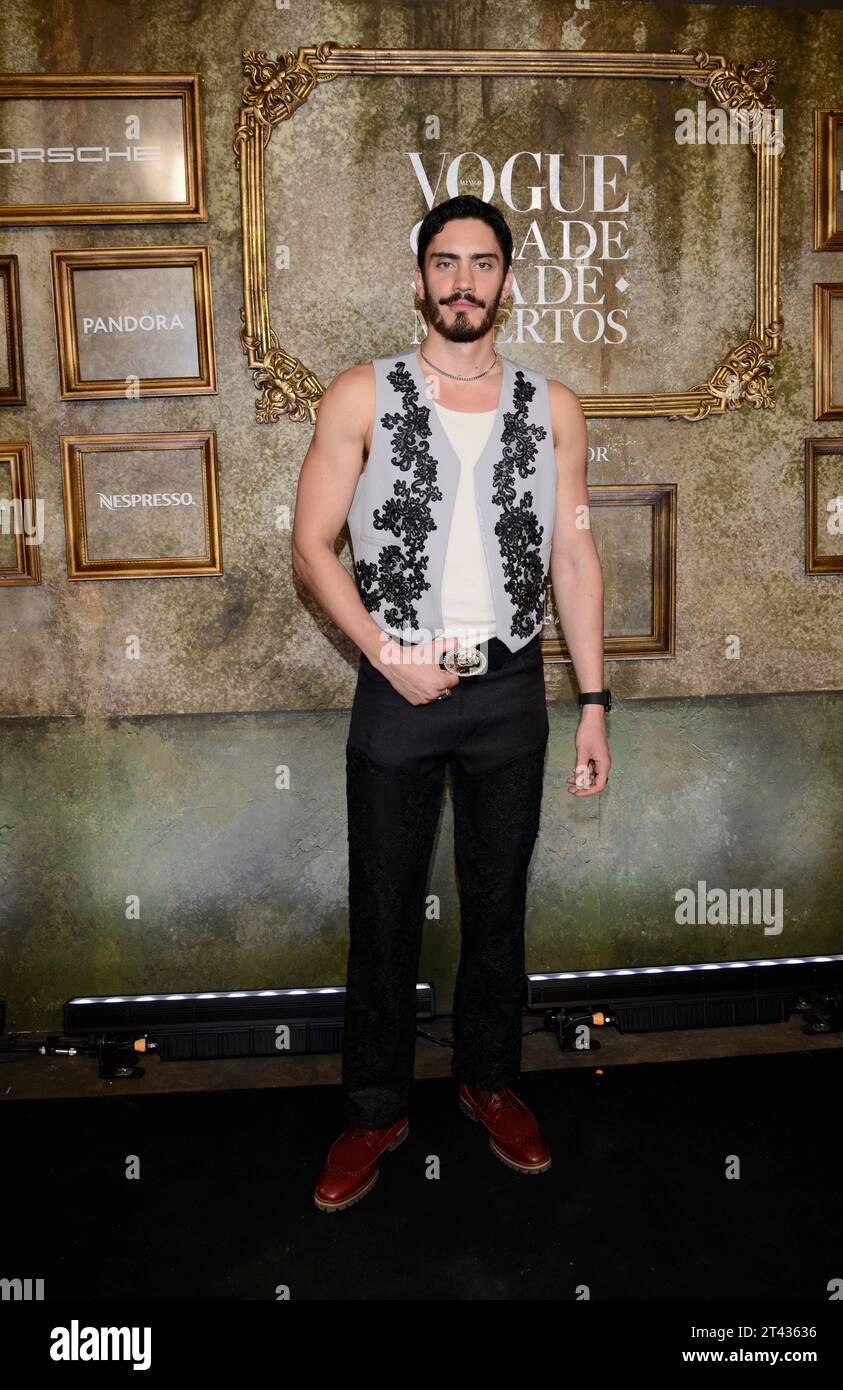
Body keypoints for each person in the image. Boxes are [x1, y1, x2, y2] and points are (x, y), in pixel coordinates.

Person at [291, 194, 610, 1213]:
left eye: (481, 263)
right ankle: (374, 1109)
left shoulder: (553, 407)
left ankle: (489, 1082)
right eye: (444, 262)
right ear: (418, 279)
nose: (462, 281)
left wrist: (594, 701)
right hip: (398, 690)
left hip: (511, 687)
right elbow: (311, 546)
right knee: (383, 908)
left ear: (505, 281)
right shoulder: (362, 393)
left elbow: (573, 557)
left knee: (498, 906)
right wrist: (387, 655)